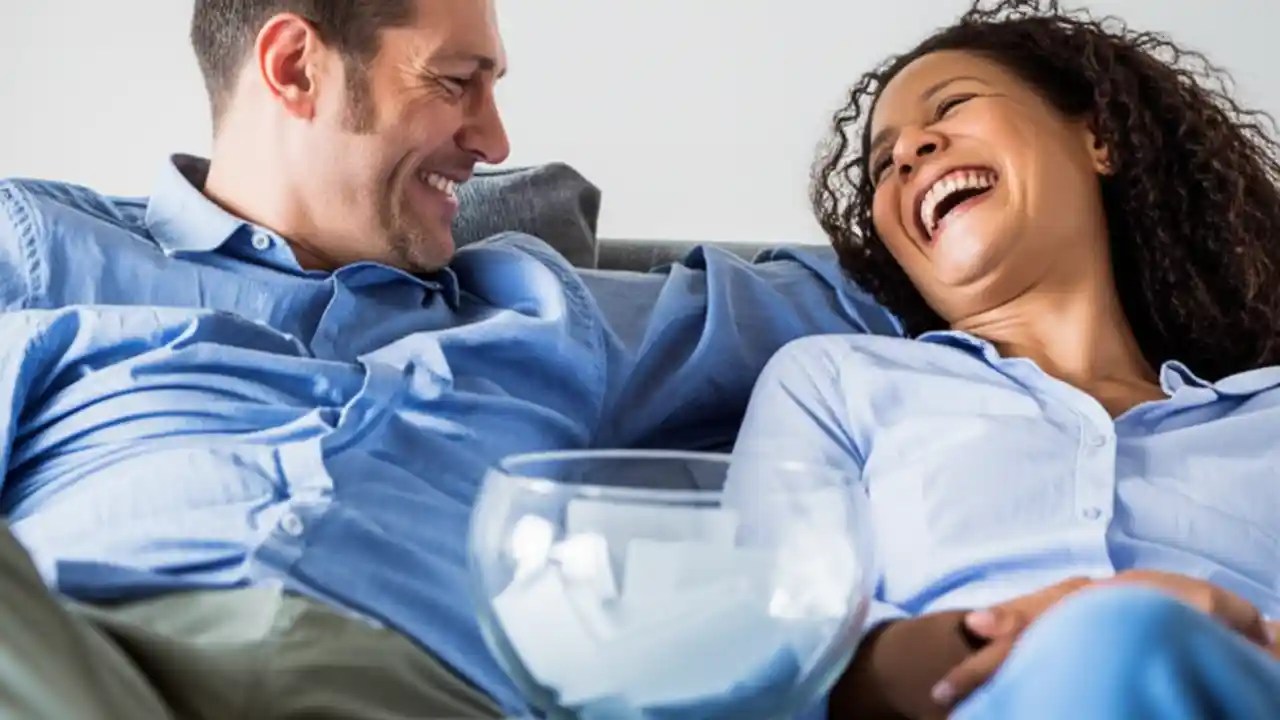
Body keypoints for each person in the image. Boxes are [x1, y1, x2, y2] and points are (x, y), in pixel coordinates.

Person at [0, 1, 901, 718]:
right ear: (294, 68)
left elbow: (888, 286)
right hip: (81, 652)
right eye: (456, 82)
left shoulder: (544, 312)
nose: (496, 141)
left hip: (397, 686)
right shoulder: (41, 252)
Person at [730, 0, 1280, 718]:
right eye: (881, 168)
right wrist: (989, 637)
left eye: (951, 106)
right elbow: (769, 650)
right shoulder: (834, 382)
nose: (907, 153)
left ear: (1100, 139)